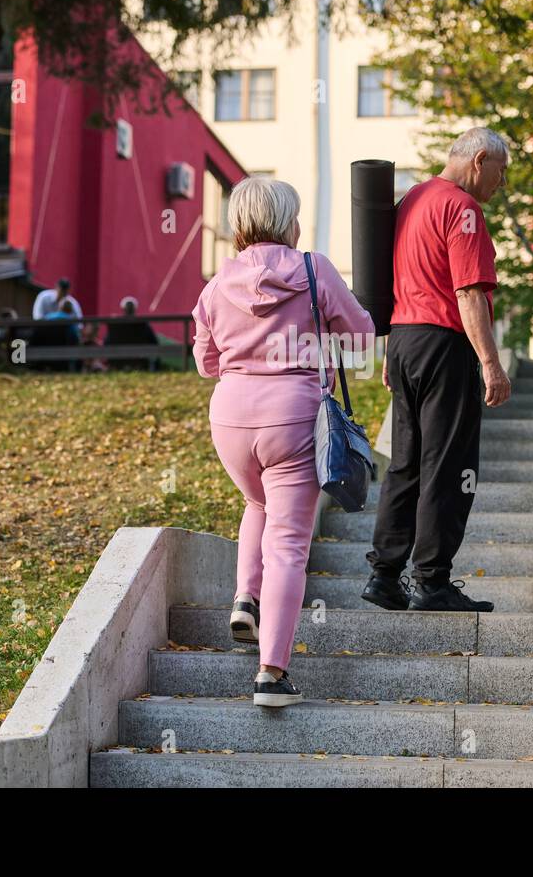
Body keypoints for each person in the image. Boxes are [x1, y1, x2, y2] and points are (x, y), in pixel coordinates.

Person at [193, 177, 374, 707]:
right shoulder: (314, 269)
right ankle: (271, 674)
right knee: (290, 544)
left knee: (256, 502)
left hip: (230, 418)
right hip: (292, 415)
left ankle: (244, 599)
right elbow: (361, 336)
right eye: (296, 217)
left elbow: (206, 363)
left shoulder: (216, 282)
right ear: (286, 221)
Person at [362, 127, 512, 614]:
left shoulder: (412, 199)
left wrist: (391, 351)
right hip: (446, 344)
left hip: (405, 342)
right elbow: (468, 292)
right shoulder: (461, 208)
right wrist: (490, 363)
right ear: (480, 159)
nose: (501, 183)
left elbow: (398, 280)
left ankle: (384, 575)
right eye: (500, 172)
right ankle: (432, 581)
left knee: (406, 462)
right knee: (447, 465)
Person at [104, 296, 160, 371]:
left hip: (117, 362)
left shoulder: (115, 325)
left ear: (123, 309)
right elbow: (154, 342)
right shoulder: (143, 324)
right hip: (139, 362)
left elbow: (106, 342)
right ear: (135, 309)